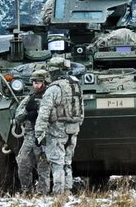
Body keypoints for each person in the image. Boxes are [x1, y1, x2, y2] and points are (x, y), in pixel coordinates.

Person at [35, 57, 84, 195]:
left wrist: (39, 133)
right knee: (67, 161)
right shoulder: (76, 85)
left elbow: (44, 112)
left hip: (57, 129)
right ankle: (67, 190)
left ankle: (58, 193)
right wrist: (77, 124)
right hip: (73, 128)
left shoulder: (53, 89)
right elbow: (81, 108)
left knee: (57, 163)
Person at [14, 70, 51, 194]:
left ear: (45, 83)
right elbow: (18, 116)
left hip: (45, 138)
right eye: (34, 82)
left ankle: (43, 193)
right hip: (30, 137)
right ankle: (27, 190)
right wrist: (28, 113)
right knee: (23, 163)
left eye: (39, 82)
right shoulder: (29, 99)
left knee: (43, 168)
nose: (36, 85)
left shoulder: (50, 98)